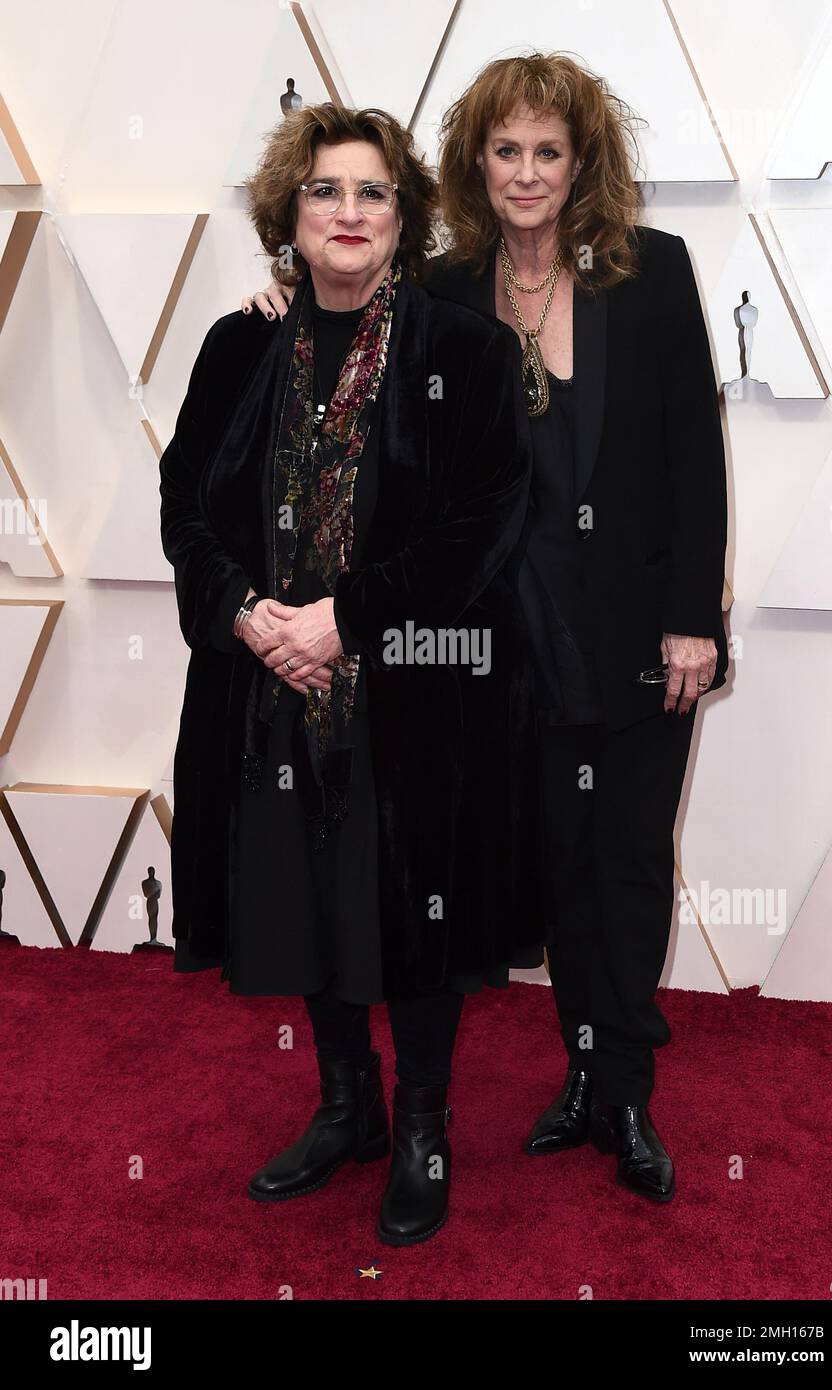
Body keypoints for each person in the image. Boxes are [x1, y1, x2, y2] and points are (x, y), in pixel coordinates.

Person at [244, 54, 729, 1204]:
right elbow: (340, 315)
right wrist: (274, 301)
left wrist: (690, 619)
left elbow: (693, 459)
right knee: (553, 871)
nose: (525, 173)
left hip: (633, 633)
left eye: (547, 152)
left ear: (581, 163)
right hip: (496, 650)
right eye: (504, 151)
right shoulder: (449, 293)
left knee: (624, 867)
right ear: (475, 164)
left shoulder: (651, 274)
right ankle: (577, 1075)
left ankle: (624, 1093)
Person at [160, 103, 545, 1246]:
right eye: (326, 190)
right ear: (292, 211)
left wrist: (346, 620)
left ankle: (421, 1125)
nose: (348, 211)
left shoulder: (463, 350)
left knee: (413, 913)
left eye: (372, 191)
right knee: (311, 906)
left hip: (418, 694)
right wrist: (243, 613)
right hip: (266, 688)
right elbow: (186, 505)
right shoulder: (241, 344)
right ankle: (347, 1109)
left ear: (403, 215)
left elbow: (484, 527)